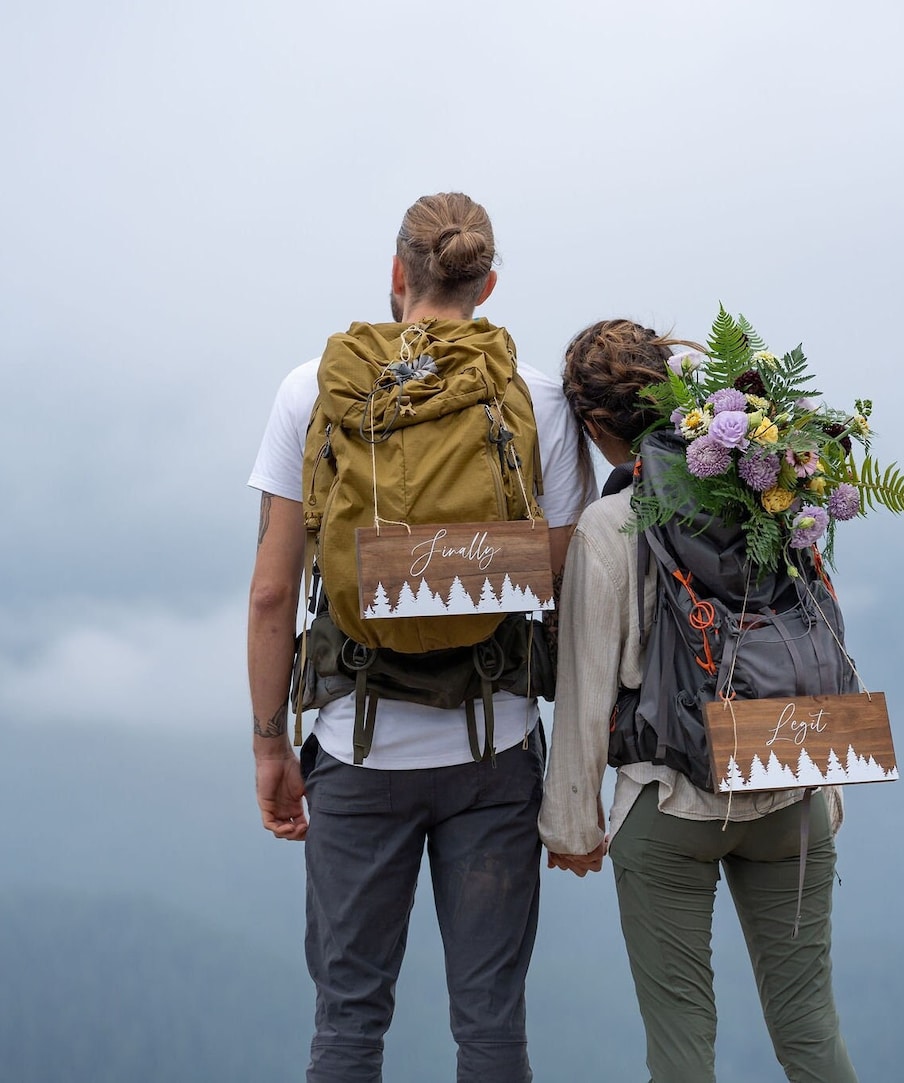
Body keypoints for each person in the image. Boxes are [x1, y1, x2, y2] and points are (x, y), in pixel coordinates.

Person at [246, 192, 594, 1083]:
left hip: (354, 749)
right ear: (487, 283)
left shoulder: (310, 390)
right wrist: (578, 775)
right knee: (489, 1027)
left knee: (349, 1024)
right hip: (496, 746)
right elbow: (566, 596)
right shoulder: (538, 400)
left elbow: (272, 592)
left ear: (397, 275)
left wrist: (269, 744)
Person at [538, 319, 858, 1083]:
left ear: (593, 425)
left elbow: (584, 688)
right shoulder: (767, 483)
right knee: (811, 1029)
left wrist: (573, 826)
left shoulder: (611, 523)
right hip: (790, 787)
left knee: (682, 1051)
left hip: (670, 800)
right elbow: (811, 623)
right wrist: (827, 781)